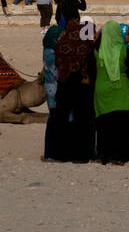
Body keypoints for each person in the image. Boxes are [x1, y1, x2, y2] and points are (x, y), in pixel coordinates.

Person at [46, 13, 96, 162]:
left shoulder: (62, 41)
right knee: (82, 119)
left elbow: (58, 62)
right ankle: (81, 154)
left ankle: (59, 154)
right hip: (80, 85)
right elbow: (89, 61)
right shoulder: (84, 43)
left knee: (61, 119)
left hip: (64, 83)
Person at [92, 21, 129, 164]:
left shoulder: (96, 51)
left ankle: (104, 155)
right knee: (122, 127)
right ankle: (121, 156)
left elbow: (92, 73)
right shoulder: (125, 51)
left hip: (102, 92)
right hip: (121, 92)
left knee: (104, 126)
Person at [40, 25, 63, 159]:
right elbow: (56, 72)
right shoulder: (52, 53)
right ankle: (52, 152)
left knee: (53, 120)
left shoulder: (47, 49)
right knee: (55, 120)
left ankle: (50, 152)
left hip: (50, 88)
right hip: (54, 89)